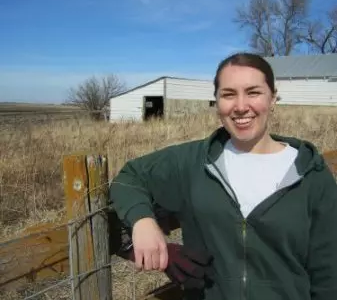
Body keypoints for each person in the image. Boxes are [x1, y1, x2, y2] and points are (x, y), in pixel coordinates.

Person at [109, 52, 337, 300]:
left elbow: (328, 269)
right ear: (217, 102)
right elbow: (129, 177)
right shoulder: (193, 161)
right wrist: (142, 221)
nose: (240, 106)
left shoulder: (309, 172)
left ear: (273, 98)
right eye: (229, 94)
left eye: (253, 92)